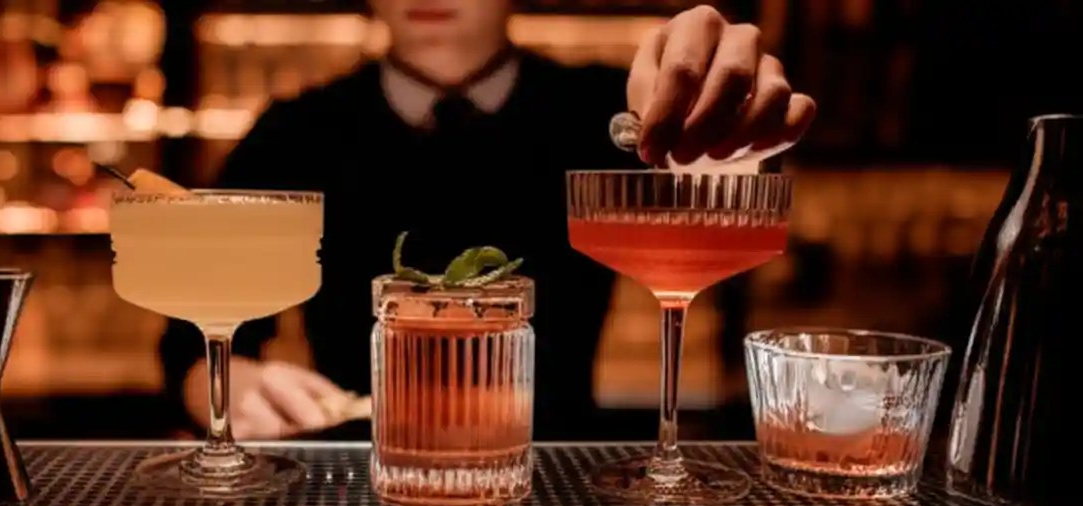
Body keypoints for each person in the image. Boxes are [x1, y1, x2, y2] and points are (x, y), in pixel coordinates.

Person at [159, 2, 815, 440]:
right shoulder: (294, 132)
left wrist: (729, 103)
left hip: (558, 481)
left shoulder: (605, 114)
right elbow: (189, 339)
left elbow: (720, 185)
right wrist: (220, 383)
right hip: (352, 483)